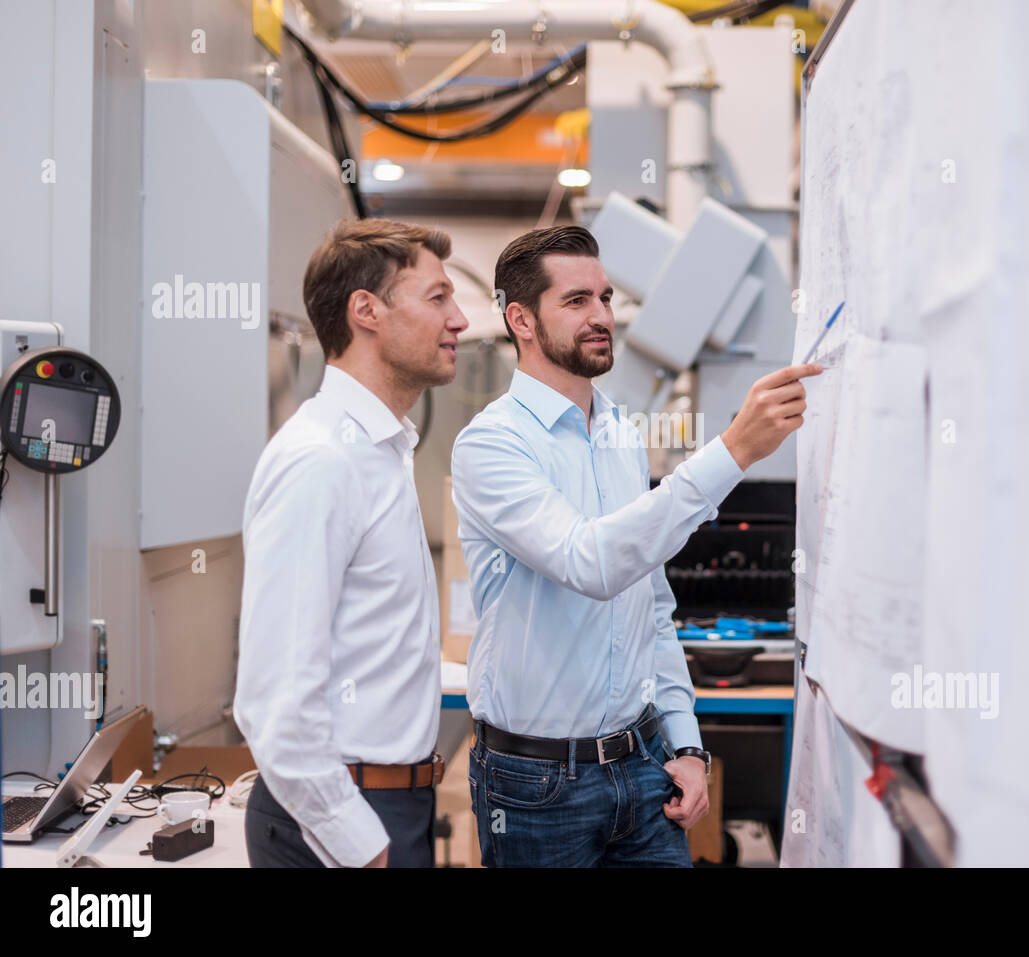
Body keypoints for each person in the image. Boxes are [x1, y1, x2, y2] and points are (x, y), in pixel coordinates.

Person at [451, 225, 820, 866]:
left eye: (605, 297)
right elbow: (588, 562)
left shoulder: (619, 431)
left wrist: (683, 743)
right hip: (537, 787)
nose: (601, 317)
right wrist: (732, 451)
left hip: (642, 766)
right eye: (575, 302)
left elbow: (648, 600)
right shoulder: (492, 445)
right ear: (521, 320)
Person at [234, 218, 468, 867]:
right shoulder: (322, 461)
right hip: (340, 821)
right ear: (365, 310)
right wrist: (357, 842)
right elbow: (275, 698)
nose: (461, 321)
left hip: (390, 806)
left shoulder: (378, 453)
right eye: (438, 297)